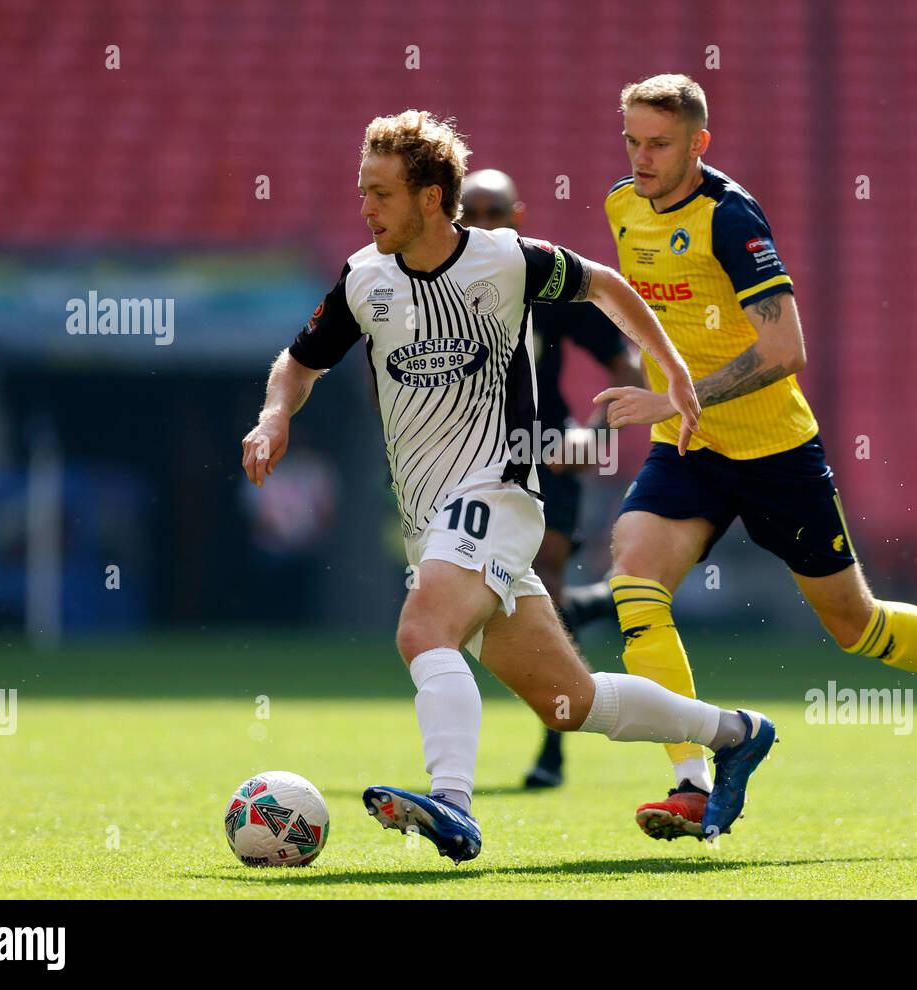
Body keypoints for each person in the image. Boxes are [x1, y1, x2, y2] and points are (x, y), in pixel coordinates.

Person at [240, 110, 775, 862]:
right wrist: (274, 419)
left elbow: (608, 286)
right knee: (569, 703)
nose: (365, 208)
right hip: (433, 519)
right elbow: (299, 362)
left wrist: (675, 373)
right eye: (363, 191)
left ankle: (454, 805)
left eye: (381, 193)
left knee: (422, 630)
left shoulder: (504, 260)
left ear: (431, 198)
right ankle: (738, 734)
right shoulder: (365, 279)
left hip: (500, 494)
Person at [593, 75, 917, 841]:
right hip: (690, 447)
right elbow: (654, 313)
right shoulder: (621, 206)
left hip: (774, 451)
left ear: (699, 143)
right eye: (631, 139)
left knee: (855, 626)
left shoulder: (730, 219)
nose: (641, 157)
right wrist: (658, 385)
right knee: (635, 582)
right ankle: (692, 781)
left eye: (659, 143)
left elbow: (785, 348)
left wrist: (678, 394)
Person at [460, 167, 643, 790]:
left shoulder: (547, 284)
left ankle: (552, 748)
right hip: (462, 461)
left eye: (495, 213)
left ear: (520, 217)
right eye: (472, 213)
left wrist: (594, 433)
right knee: (488, 600)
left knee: (539, 582)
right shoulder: (427, 290)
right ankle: (601, 604)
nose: (483, 225)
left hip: (541, 454)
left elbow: (628, 363)